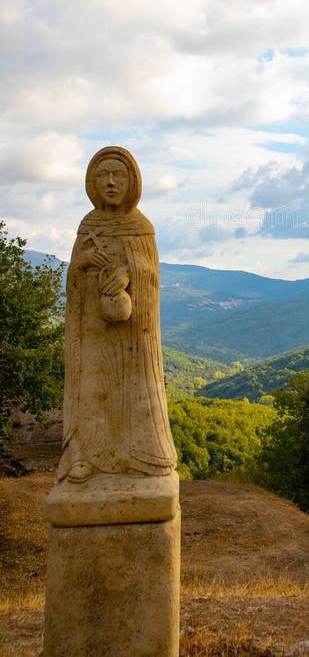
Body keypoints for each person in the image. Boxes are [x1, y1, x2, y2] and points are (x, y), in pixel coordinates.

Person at [57, 146, 177, 483]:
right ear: (92, 183)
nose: (110, 182)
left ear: (131, 181)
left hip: (132, 336)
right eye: (103, 176)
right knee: (92, 389)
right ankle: (87, 456)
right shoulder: (89, 225)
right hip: (93, 329)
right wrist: (82, 265)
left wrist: (127, 276)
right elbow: (72, 281)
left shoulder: (140, 227)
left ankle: (139, 455)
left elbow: (150, 279)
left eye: (118, 175)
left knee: (135, 392)